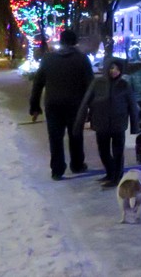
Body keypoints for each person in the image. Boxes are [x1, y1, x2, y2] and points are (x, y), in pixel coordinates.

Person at [29, 29, 94, 181]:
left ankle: (57, 170)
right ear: (75, 41)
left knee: (55, 138)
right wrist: (91, 106)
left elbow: (38, 83)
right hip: (75, 105)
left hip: (53, 105)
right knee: (75, 135)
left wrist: (35, 107)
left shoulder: (48, 58)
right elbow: (91, 85)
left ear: (61, 40)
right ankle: (77, 164)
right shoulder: (82, 59)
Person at [75, 57, 139, 188]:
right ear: (106, 68)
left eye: (117, 68)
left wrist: (135, 125)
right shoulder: (97, 83)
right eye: (112, 67)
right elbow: (85, 102)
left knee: (118, 153)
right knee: (103, 151)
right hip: (101, 124)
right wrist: (78, 123)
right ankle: (110, 172)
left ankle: (117, 178)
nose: (114, 71)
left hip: (118, 124)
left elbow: (132, 105)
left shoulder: (124, 85)